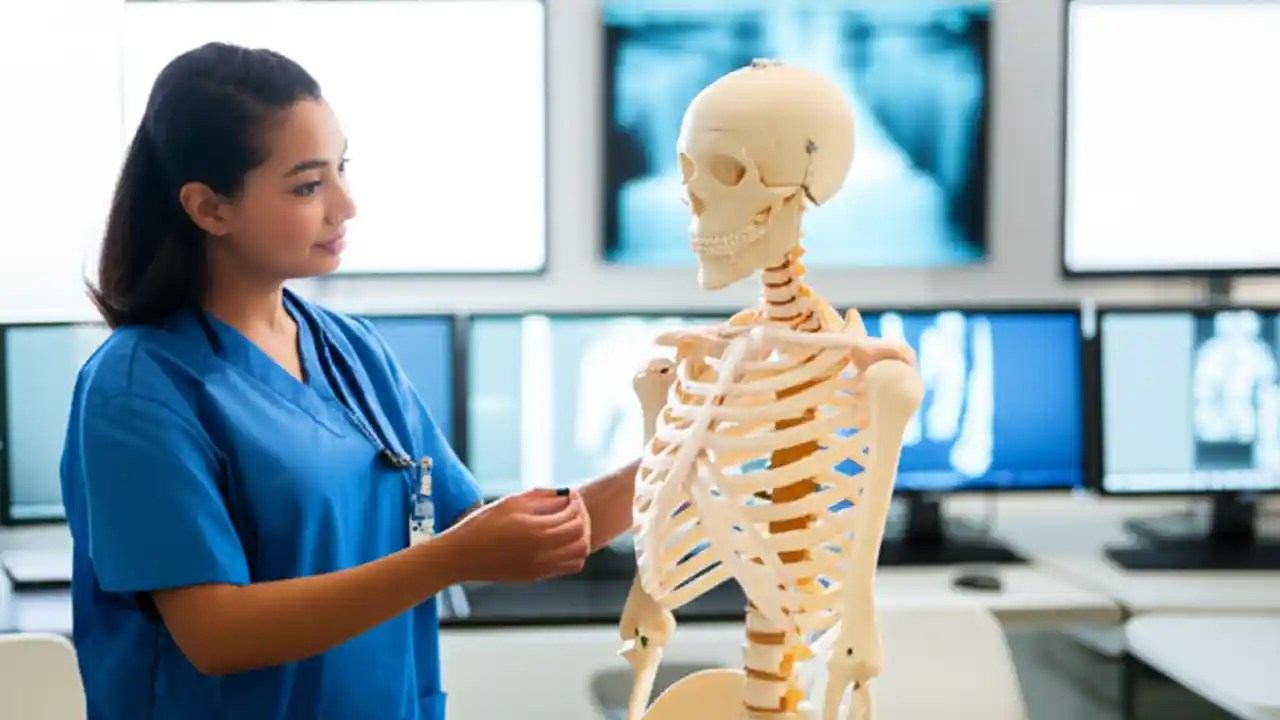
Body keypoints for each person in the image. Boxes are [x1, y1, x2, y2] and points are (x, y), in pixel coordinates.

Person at [59, 42, 639, 720]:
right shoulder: (137, 389)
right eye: (308, 186)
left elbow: (486, 533)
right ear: (210, 209)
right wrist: (446, 561)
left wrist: (684, 452)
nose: (346, 205)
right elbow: (216, 633)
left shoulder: (350, 350)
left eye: (341, 170)